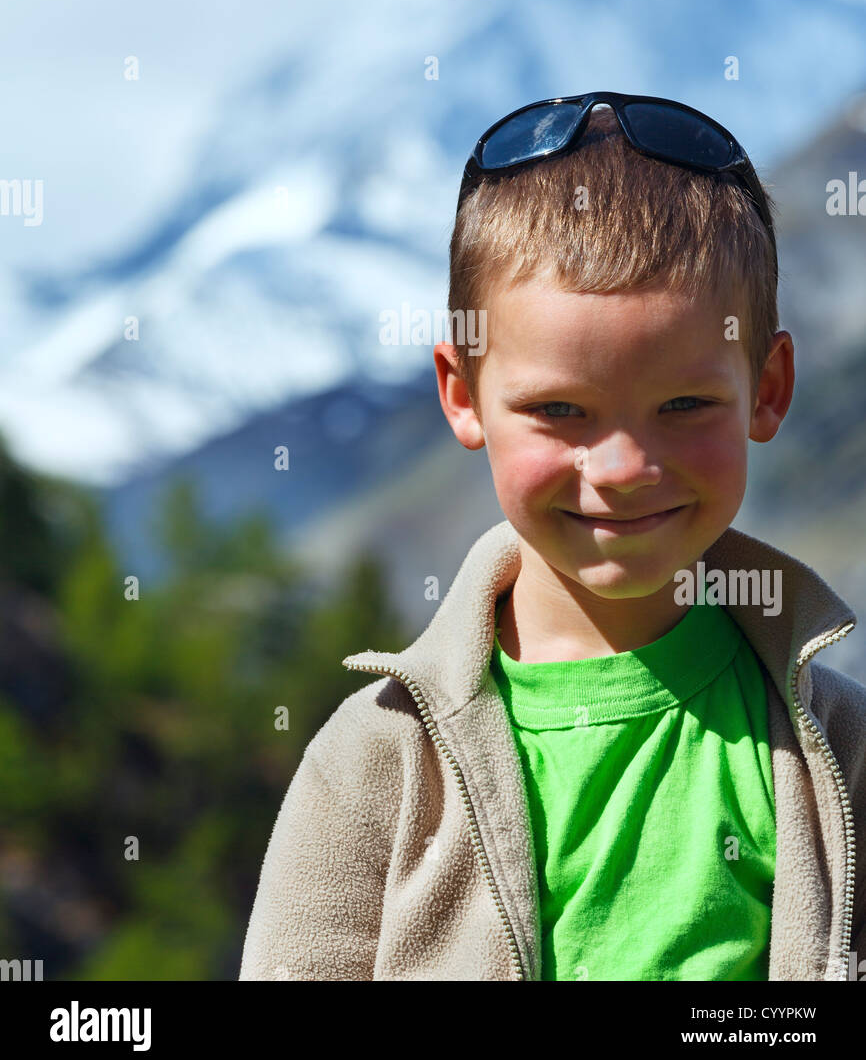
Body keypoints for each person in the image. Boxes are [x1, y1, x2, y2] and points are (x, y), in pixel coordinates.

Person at [239, 93, 866, 981]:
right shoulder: (375, 762)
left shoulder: (840, 752)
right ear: (462, 393)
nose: (620, 465)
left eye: (683, 406)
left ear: (768, 388)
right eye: (558, 411)